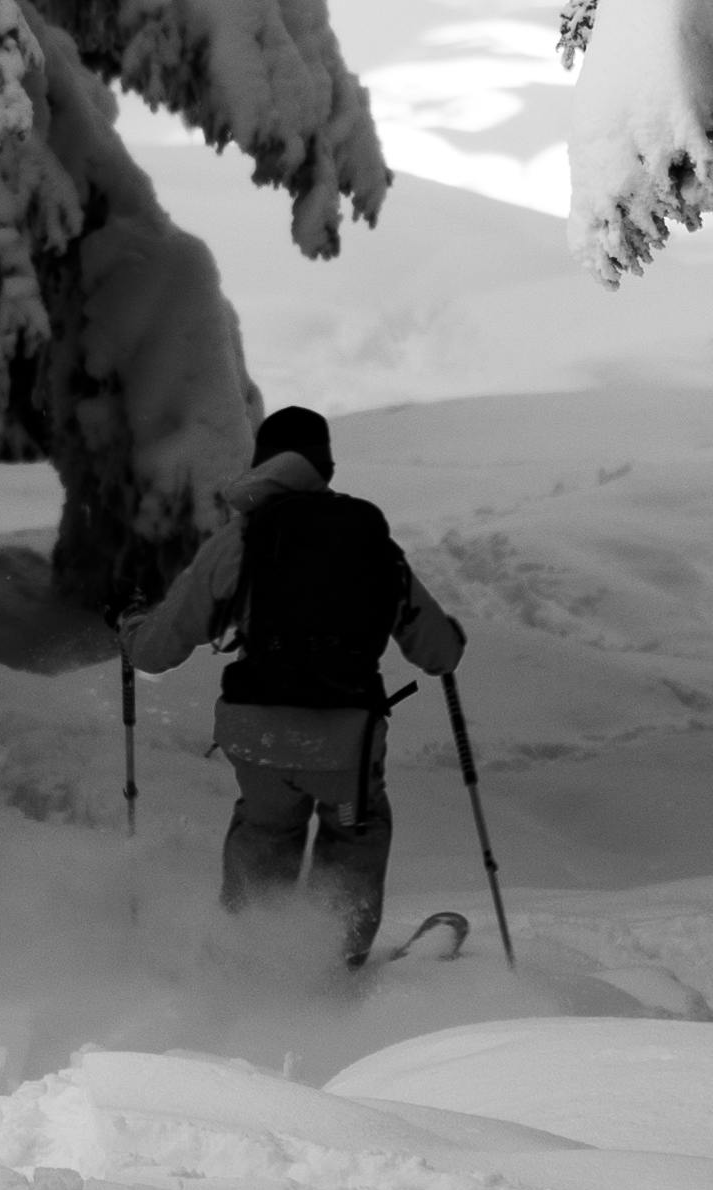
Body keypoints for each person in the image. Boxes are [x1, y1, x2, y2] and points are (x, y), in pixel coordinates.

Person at [124, 403, 467, 972]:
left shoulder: (240, 540)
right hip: (346, 743)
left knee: (264, 830)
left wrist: (130, 623)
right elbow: (438, 651)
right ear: (325, 466)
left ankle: (247, 963)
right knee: (355, 835)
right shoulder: (371, 543)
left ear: (264, 461)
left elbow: (158, 648)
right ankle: (334, 964)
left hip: (258, 736)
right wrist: (447, 638)